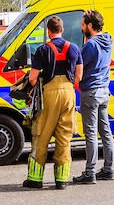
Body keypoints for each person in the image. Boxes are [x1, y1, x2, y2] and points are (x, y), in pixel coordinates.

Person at [23, 16, 82, 190]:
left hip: (49, 94)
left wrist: (38, 88)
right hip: (69, 93)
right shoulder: (74, 49)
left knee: (41, 134)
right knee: (64, 138)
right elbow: (79, 77)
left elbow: (33, 77)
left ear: (48, 31)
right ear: (62, 30)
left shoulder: (42, 50)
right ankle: (61, 180)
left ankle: (35, 178)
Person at [73, 10, 114, 184]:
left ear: (90, 26)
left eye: (83, 24)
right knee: (105, 131)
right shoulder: (109, 40)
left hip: (90, 91)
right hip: (104, 90)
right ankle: (108, 169)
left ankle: (90, 172)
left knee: (90, 133)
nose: (81, 27)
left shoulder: (90, 45)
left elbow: (80, 63)